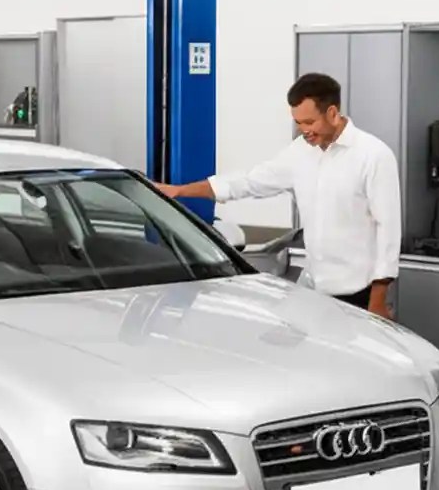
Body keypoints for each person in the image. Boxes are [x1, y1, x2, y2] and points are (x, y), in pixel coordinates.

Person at [154, 73, 402, 319]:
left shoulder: (373, 156)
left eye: (309, 122)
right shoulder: (300, 153)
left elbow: (388, 230)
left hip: (362, 294)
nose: (303, 130)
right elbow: (249, 182)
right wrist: (180, 191)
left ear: (333, 113)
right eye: (298, 123)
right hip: (318, 291)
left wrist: (378, 300)